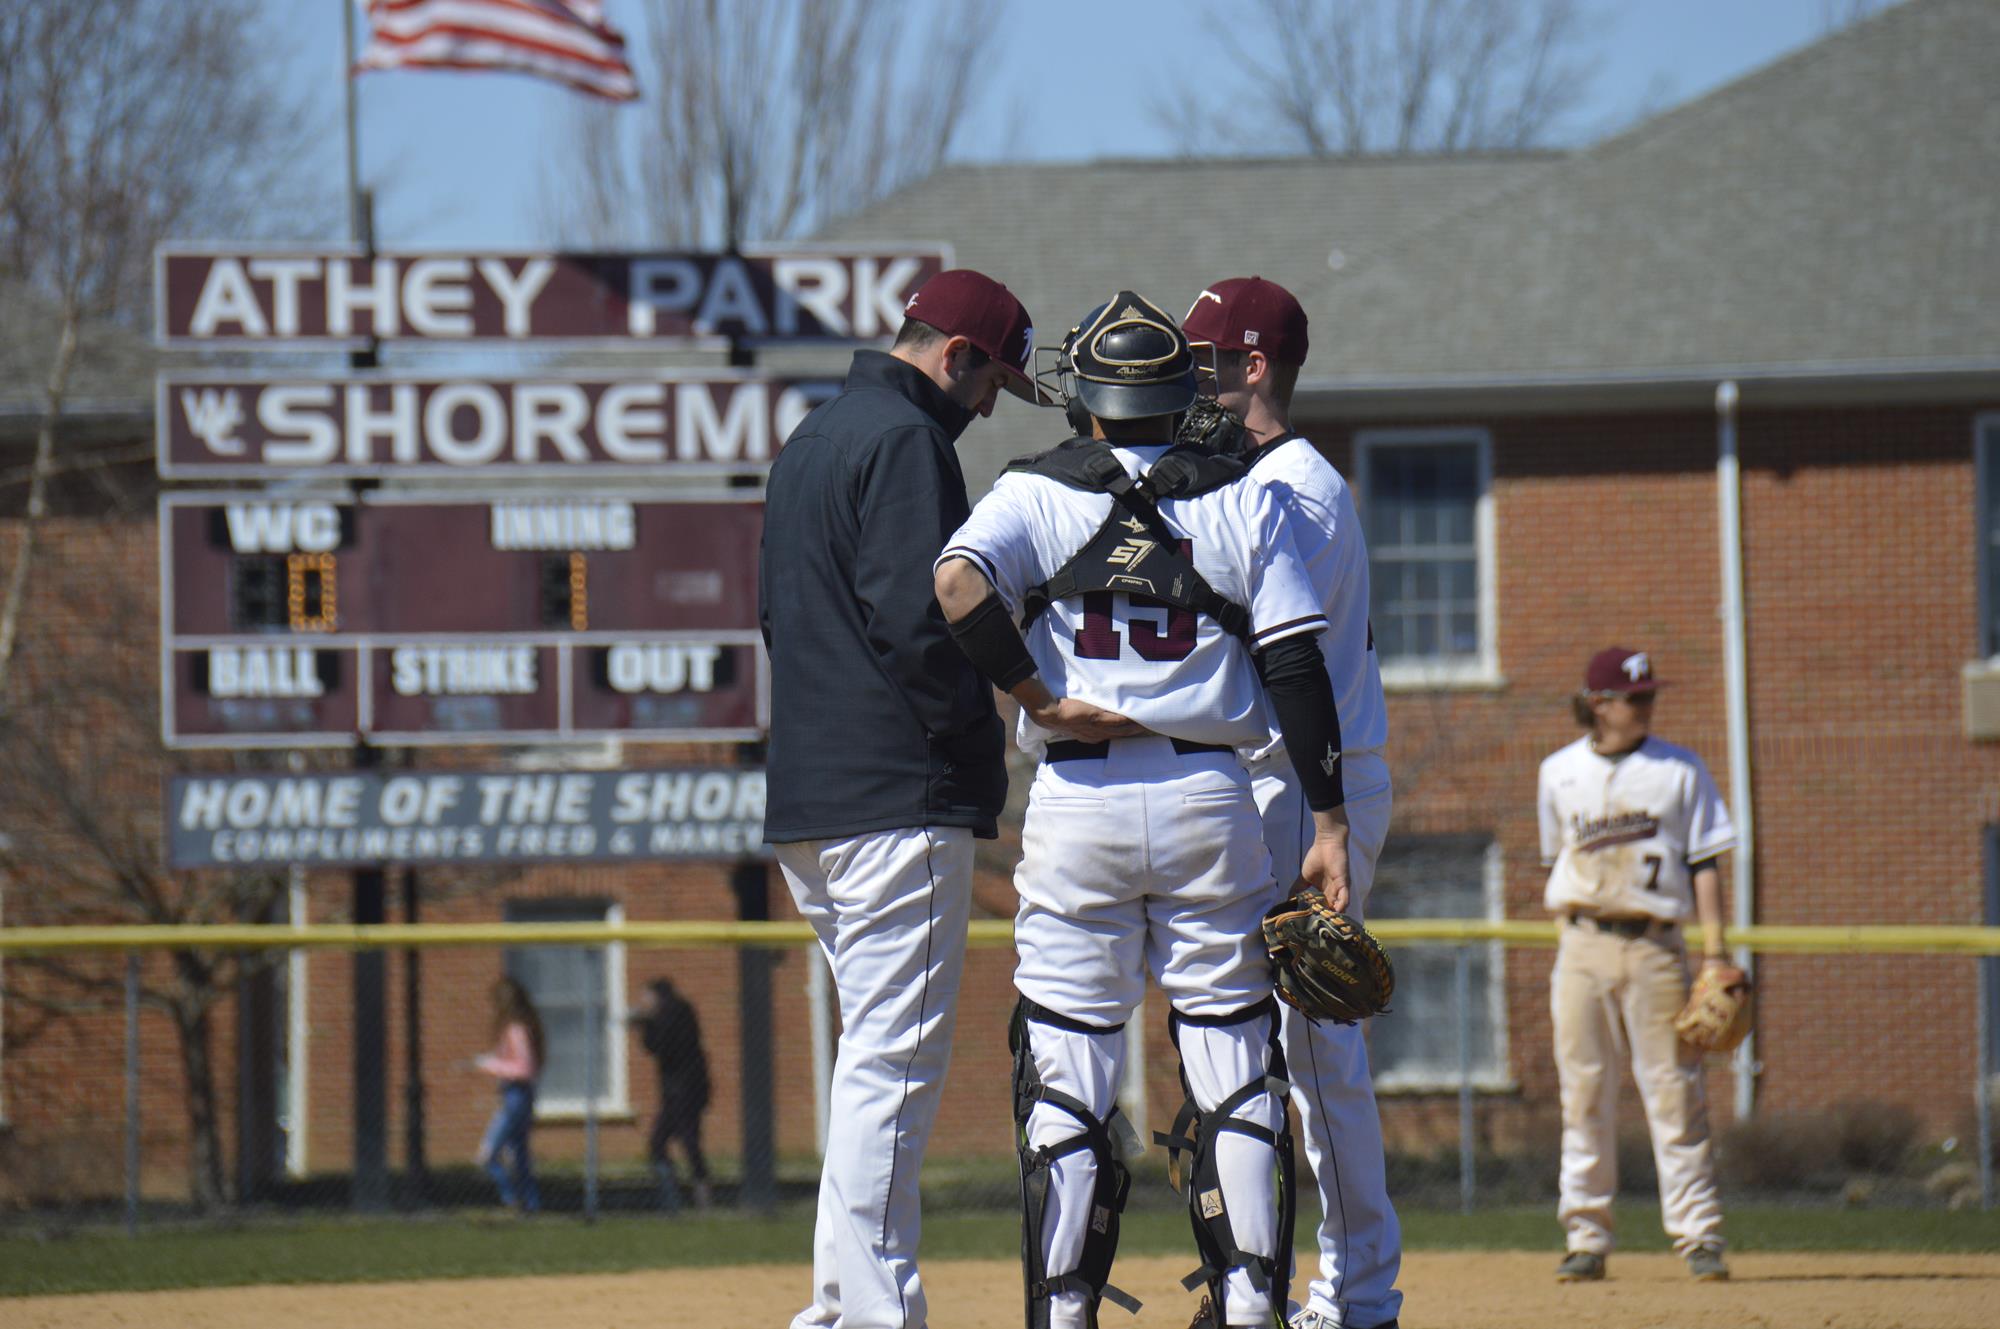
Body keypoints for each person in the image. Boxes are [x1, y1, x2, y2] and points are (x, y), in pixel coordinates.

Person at [934, 290, 1350, 1329]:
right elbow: (1295, 662)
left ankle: (1065, 1311)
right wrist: (1331, 822)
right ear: (1179, 393)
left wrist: (1035, 697)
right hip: (1212, 793)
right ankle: (1252, 1304)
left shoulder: (1031, 491)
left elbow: (954, 586)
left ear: (1086, 396)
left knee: (1068, 1067)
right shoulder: (1243, 493)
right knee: (1232, 1063)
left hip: (1079, 793)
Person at [761, 267, 1133, 1329]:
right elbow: (921, 625)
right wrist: (1012, 711)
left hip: (811, 801)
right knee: (892, 1068)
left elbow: (779, 620)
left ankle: (842, 1307)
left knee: (869, 1065)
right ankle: (868, 1317)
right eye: (988, 381)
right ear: (954, 353)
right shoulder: (905, 442)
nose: (985, 408)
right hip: (893, 801)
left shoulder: (812, 438)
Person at [1184, 277, 1402, 1329]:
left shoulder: (1296, 488)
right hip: (1285, 778)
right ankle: (1259, 1281)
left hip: (1318, 782)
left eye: (1207, 359)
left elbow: (1280, 657)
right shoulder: (1258, 481)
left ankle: (1360, 1293)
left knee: (1319, 1059)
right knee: (1262, 1052)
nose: (1192, 377)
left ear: (1253, 366)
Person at [1538, 647, 1737, 1283]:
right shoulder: (1558, 772)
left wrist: (1716, 951)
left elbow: (1705, 863)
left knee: (1674, 1092)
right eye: (1636, 697)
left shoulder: (1679, 769)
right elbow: (1556, 861)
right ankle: (1587, 1237)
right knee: (1584, 1093)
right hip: (1582, 944)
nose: (1648, 705)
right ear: (1600, 705)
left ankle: (1698, 1235)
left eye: (1650, 695)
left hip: (1656, 946)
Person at [633, 977, 712, 1211]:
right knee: (669, 1143)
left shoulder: (674, 1015)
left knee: (684, 1142)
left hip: (684, 1091)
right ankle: (676, 1197)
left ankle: (692, 1197)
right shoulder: (677, 1013)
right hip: (680, 1091)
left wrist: (646, 1023)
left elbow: (659, 1046)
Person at [475, 976, 545, 1214]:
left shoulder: (516, 1029)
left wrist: (490, 1065)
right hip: (515, 1094)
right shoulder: (518, 1028)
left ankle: (512, 1199)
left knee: (489, 1155)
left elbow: (525, 1068)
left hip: (517, 1095)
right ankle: (530, 1204)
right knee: (519, 1154)